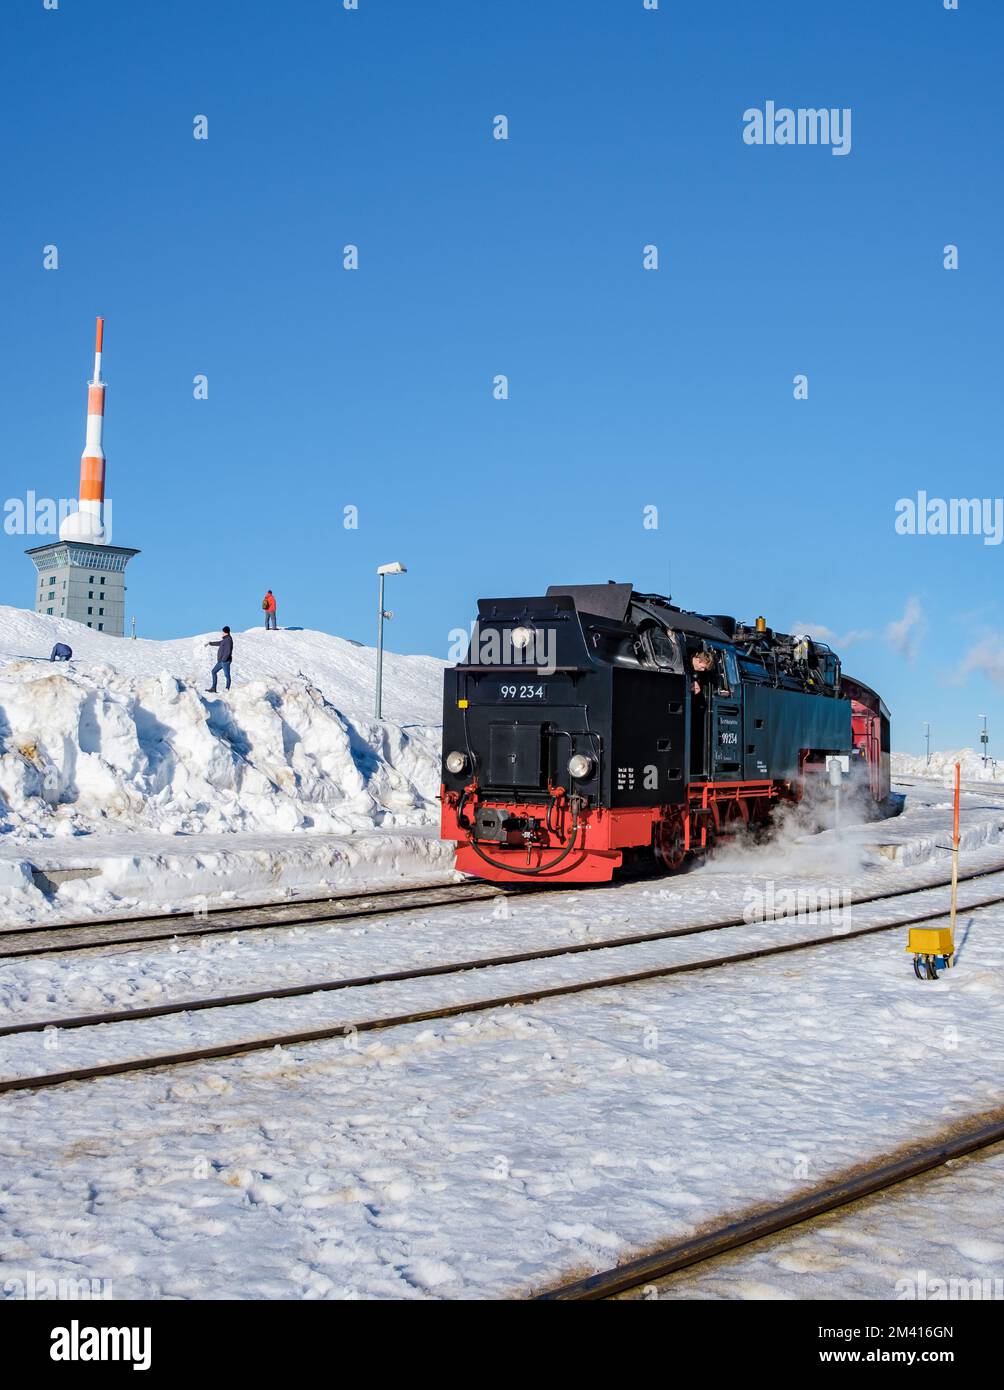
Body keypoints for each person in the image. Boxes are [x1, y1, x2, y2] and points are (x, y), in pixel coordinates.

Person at [206, 627, 234, 691]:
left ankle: (227, 689)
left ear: (225, 632)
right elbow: (219, 643)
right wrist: (210, 643)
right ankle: (213, 688)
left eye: (222, 632)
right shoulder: (225, 639)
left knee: (227, 675)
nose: (222, 633)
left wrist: (224, 659)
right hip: (220, 661)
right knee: (213, 671)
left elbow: (228, 651)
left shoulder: (228, 640)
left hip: (225, 661)